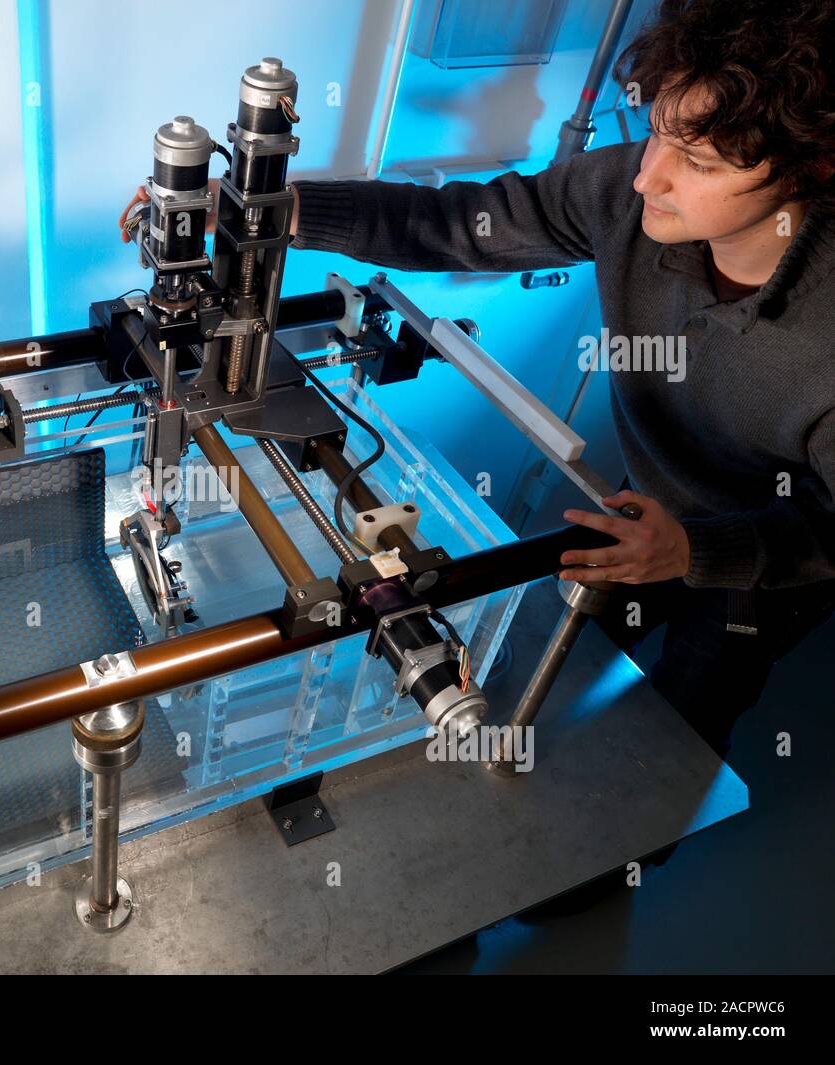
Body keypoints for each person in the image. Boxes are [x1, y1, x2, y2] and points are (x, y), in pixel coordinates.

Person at [121, 0, 835, 757]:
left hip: (768, 561)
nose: (646, 178)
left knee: (680, 729)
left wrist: (695, 553)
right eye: (656, 130)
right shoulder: (629, 188)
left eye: (697, 163)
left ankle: (634, 855)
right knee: (566, 654)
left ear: (812, 169)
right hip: (650, 502)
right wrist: (280, 212)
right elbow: (466, 223)